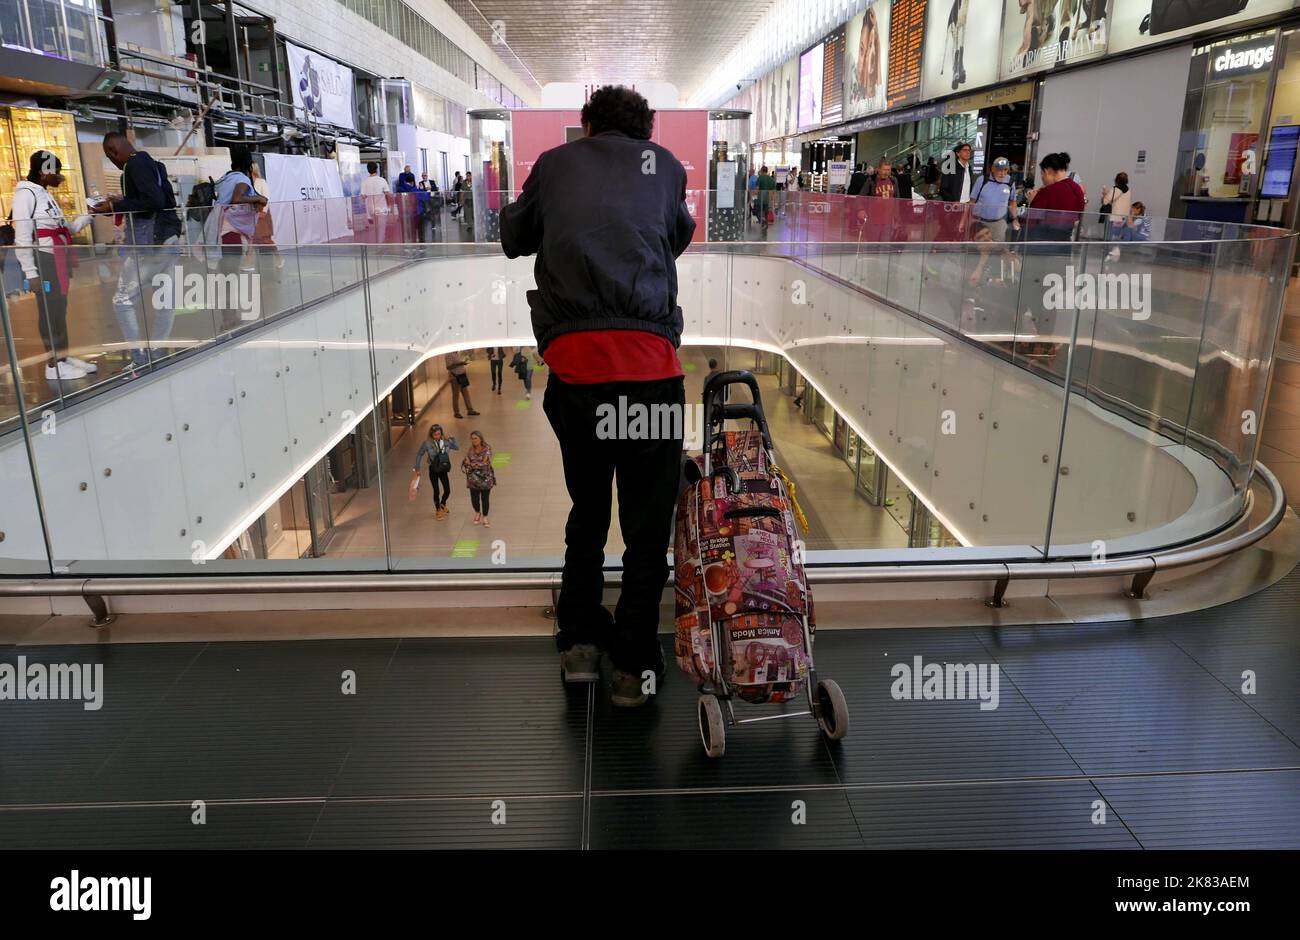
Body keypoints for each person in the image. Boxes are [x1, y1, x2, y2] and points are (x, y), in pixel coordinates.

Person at [499, 84, 694, 706]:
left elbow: (513, 236)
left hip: (577, 378)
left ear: (586, 126)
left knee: (587, 514)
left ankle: (580, 646)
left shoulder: (556, 165)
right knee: (646, 526)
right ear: (646, 130)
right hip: (649, 376)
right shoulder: (662, 166)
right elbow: (677, 237)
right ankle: (633, 666)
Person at [94, 130, 183, 370]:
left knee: (122, 299)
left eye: (109, 156)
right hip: (168, 237)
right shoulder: (152, 164)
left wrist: (115, 205)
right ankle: (157, 350)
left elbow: (153, 201)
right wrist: (122, 200)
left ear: (113, 151)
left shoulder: (134, 165)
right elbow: (165, 201)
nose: (112, 161)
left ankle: (140, 357)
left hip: (149, 241)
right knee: (166, 298)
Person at [11, 150, 95, 381]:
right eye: (55, 172)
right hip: (45, 260)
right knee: (49, 311)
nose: (59, 176)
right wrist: (31, 272)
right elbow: (23, 236)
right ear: (42, 172)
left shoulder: (44, 195)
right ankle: (53, 363)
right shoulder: (25, 195)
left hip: (58, 257)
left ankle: (63, 356)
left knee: (59, 308)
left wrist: (86, 218)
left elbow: (62, 227)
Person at [210, 146, 267, 330]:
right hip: (232, 233)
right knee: (230, 276)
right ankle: (229, 320)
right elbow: (237, 198)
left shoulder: (226, 178)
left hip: (221, 231)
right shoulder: (241, 179)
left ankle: (230, 316)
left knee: (227, 276)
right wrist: (259, 198)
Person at [1024, 151, 1084, 241]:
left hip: (1043, 242)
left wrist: (1033, 201)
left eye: (1042, 174)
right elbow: (1079, 214)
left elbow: (1032, 221)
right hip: (1065, 242)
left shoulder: (1048, 191)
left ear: (1047, 171)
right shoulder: (1077, 189)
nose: (1042, 179)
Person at [412, 423, 458, 519]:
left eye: (439, 434)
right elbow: (420, 454)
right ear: (431, 434)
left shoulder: (445, 441)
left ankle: (443, 503)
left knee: (447, 490)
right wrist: (417, 467)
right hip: (433, 469)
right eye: (435, 434)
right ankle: (438, 510)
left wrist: (452, 438)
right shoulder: (427, 443)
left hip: (443, 468)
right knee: (436, 490)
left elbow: (456, 447)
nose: (437, 436)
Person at [971, 157, 1018, 241]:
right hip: (980, 222)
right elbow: (972, 201)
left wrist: (1015, 219)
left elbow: (1012, 202)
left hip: (999, 223)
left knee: (998, 249)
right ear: (993, 168)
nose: (1003, 173)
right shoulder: (982, 180)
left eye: (1005, 170)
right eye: (1000, 170)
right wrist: (966, 220)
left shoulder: (1010, 182)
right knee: (979, 249)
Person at [249, 163, 283, 273]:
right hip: (251, 214)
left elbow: (266, 197)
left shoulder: (261, 182)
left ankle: (279, 258)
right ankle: (249, 262)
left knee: (265, 239)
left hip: (261, 213)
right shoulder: (247, 183)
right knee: (252, 239)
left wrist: (263, 211)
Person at [460, 430, 496, 527]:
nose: (474, 440)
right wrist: (473, 464)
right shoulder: (470, 449)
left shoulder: (487, 448)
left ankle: (485, 517)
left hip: (485, 478)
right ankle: (477, 512)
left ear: (480, 438)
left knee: (485, 498)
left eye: (475, 438)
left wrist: (472, 464)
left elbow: (484, 463)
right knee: (474, 499)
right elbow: (466, 461)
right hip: (473, 479)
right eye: (472, 439)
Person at [360, 161, 392, 242]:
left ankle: (375, 245)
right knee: (381, 229)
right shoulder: (382, 180)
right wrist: (390, 206)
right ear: (377, 169)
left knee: (373, 230)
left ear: (368, 170)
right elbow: (388, 194)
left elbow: (363, 196)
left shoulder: (364, 182)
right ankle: (380, 245)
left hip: (370, 209)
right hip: (381, 209)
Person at [444, 350, 479, 418]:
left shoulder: (457, 353)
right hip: (455, 377)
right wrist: (460, 363)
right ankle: (456, 412)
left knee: (466, 393)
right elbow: (448, 367)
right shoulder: (448, 354)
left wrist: (462, 365)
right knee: (456, 395)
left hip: (462, 375)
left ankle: (470, 410)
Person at [756, 165, 777, 229]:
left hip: (760, 198)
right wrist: (773, 200)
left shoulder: (760, 178)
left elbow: (757, 189)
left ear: (762, 171)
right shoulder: (771, 179)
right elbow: (774, 191)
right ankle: (765, 224)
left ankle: (762, 222)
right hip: (768, 199)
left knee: (758, 211)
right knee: (766, 212)